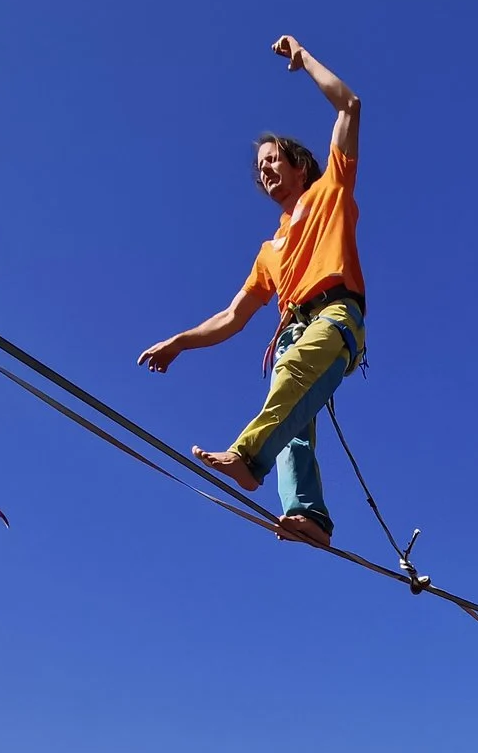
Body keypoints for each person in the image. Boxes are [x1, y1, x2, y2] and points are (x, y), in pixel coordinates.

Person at [140, 36, 364, 549]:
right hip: (292, 329)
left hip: (333, 315)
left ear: (300, 164)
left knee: (294, 378)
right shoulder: (269, 251)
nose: (264, 170)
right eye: (259, 167)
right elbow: (233, 316)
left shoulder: (331, 190)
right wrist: (179, 342)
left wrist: (304, 58)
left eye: (272, 160)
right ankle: (309, 516)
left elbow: (350, 105)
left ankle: (245, 456)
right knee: (295, 427)